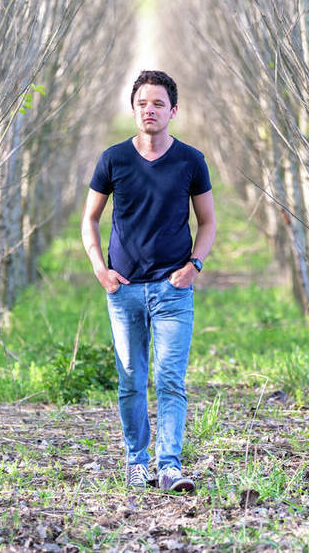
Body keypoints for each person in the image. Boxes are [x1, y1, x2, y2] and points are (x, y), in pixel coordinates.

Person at [81, 70, 216, 492]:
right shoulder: (114, 160)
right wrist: (99, 270)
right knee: (130, 380)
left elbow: (208, 221)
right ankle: (137, 462)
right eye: (142, 103)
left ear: (173, 110)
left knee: (170, 379)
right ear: (134, 109)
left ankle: (170, 464)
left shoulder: (190, 160)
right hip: (124, 291)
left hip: (173, 290)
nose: (150, 110)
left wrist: (194, 265)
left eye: (158, 103)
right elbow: (90, 219)